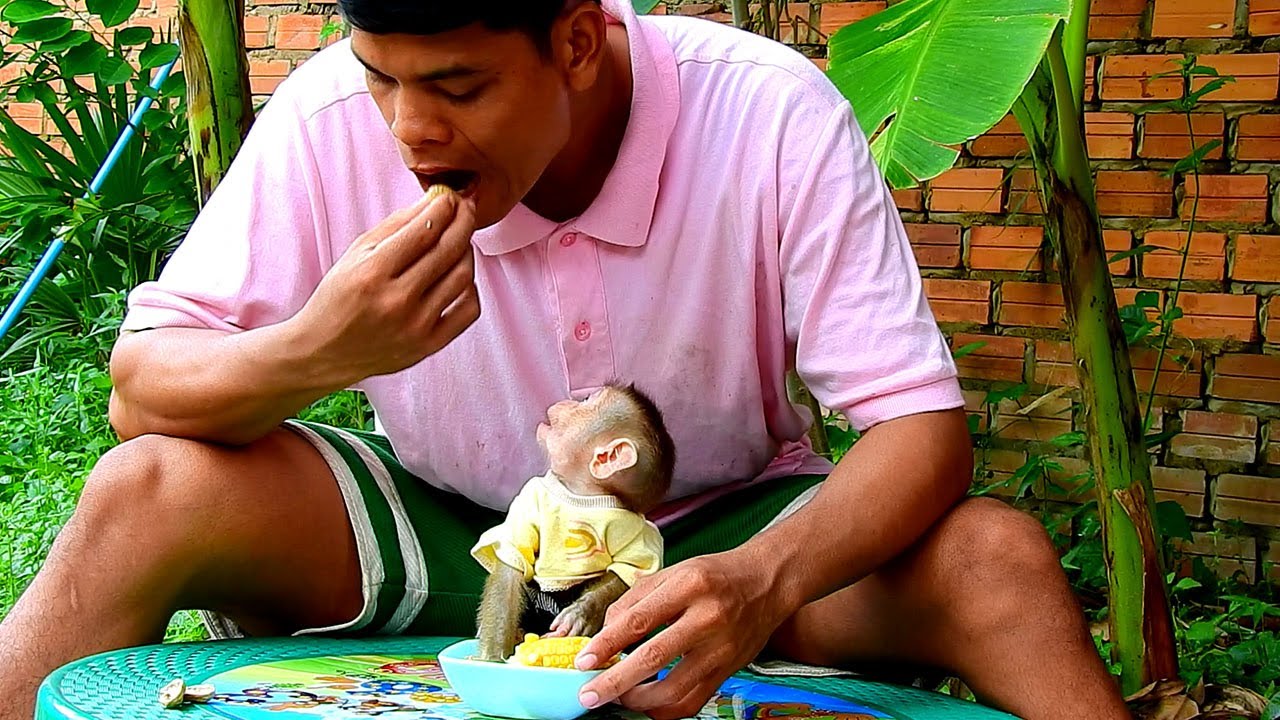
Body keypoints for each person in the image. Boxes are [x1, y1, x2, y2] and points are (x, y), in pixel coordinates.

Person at [0, 0, 1132, 718]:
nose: (408, 130)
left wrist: (760, 580)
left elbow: (919, 428)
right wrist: (315, 350)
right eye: (382, 77)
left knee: (994, 558)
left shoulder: (768, 112)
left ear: (577, 42)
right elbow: (144, 388)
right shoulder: (327, 117)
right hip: (452, 531)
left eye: (458, 87)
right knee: (147, 489)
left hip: (722, 536)